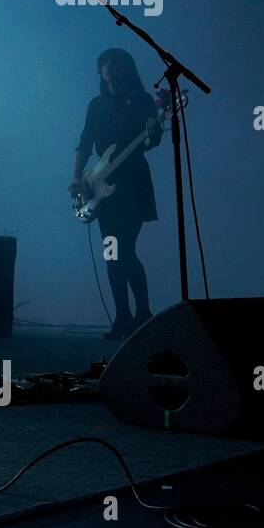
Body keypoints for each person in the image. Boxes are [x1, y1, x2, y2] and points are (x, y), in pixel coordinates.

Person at [70, 48, 163, 339]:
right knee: (112, 253)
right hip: (100, 185)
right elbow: (85, 143)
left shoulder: (142, 100)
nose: (109, 67)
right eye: (105, 62)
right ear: (100, 69)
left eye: (115, 62)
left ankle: (143, 312)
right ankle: (125, 316)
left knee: (125, 249)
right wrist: (77, 177)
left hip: (132, 182)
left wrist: (154, 133)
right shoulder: (96, 105)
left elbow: (150, 141)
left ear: (127, 67)